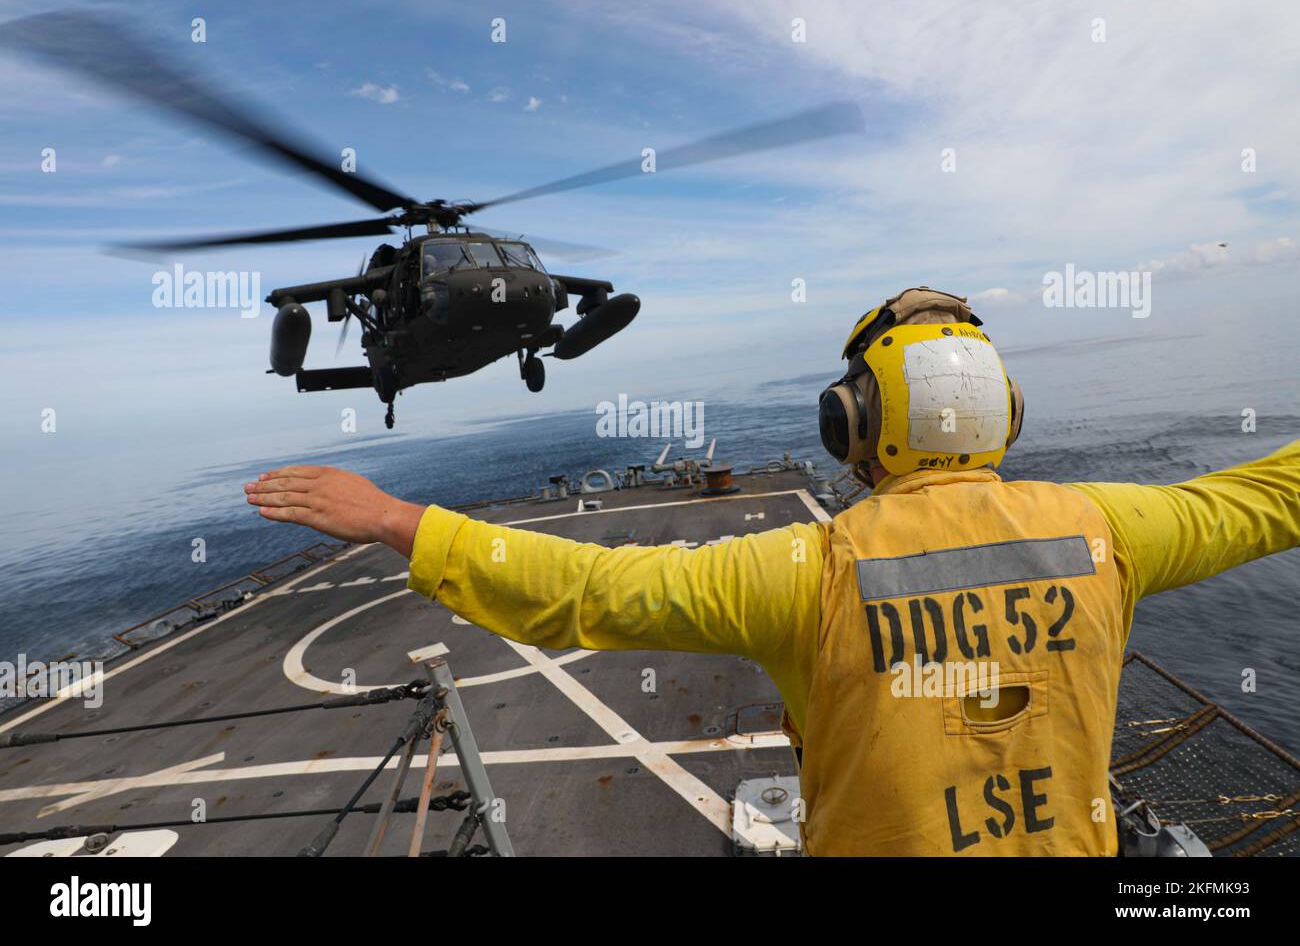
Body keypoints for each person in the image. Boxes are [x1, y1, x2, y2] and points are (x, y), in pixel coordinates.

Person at [244, 286, 1300, 856]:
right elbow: (1270, 498)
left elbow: (593, 589)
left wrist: (399, 520)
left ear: (851, 424)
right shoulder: (1110, 530)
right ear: (1005, 411)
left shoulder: (810, 566)